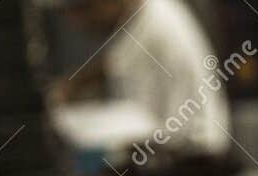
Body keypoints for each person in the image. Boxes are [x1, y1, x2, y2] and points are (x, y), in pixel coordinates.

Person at [60, 0, 231, 160]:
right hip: (178, 149)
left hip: (194, 157)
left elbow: (143, 125)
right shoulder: (144, 15)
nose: (78, 24)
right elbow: (112, 63)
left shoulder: (155, 21)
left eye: (84, 10)